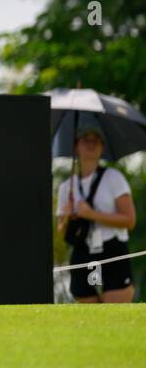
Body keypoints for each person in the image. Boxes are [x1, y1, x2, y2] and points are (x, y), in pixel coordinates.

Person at [56, 123, 136, 303]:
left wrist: (92, 214)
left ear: (103, 147)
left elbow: (129, 220)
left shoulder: (113, 178)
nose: (91, 144)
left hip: (112, 248)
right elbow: (62, 231)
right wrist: (69, 216)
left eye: (96, 140)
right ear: (76, 146)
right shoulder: (66, 187)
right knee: (90, 313)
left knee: (115, 314)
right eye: (86, 140)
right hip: (83, 250)